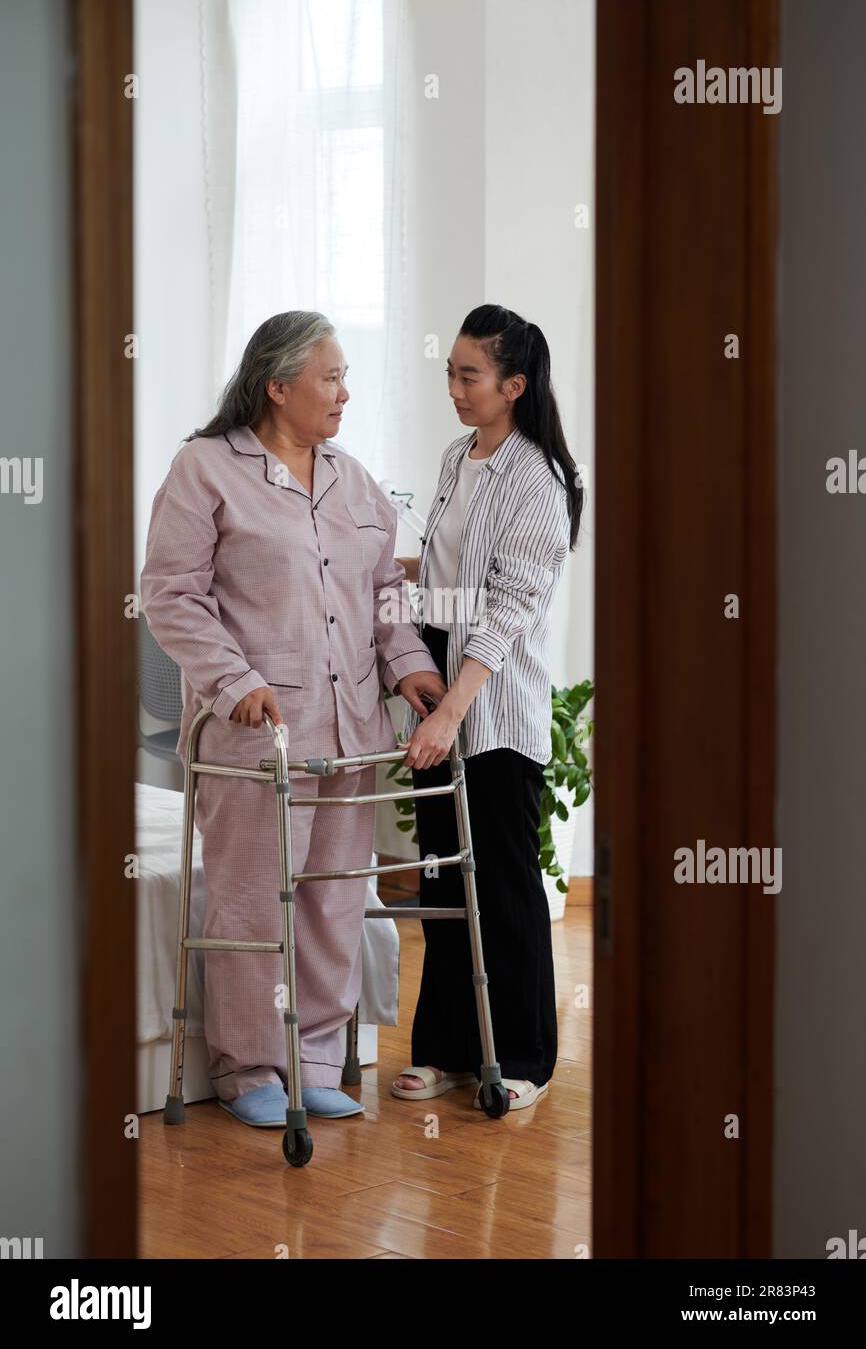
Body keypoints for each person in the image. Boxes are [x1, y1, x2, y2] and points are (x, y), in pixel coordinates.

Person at [141, 311, 445, 1126]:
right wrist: (232, 676)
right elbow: (171, 595)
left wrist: (410, 667)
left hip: (351, 731)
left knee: (332, 900)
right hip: (256, 735)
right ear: (277, 386)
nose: (345, 392)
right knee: (253, 899)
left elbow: (387, 594)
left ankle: (314, 1058)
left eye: (346, 377)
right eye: (330, 377)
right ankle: (249, 1071)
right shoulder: (206, 469)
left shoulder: (352, 477)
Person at [391, 304, 582, 1112]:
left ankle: (526, 1058)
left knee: (502, 887)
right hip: (439, 689)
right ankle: (448, 1052)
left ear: (514, 385)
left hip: (494, 711)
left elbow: (505, 612)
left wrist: (450, 718)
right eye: (451, 371)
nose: (455, 387)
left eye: (470, 375)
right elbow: (447, 582)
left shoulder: (540, 481)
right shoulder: (454, 458)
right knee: (441, 882)